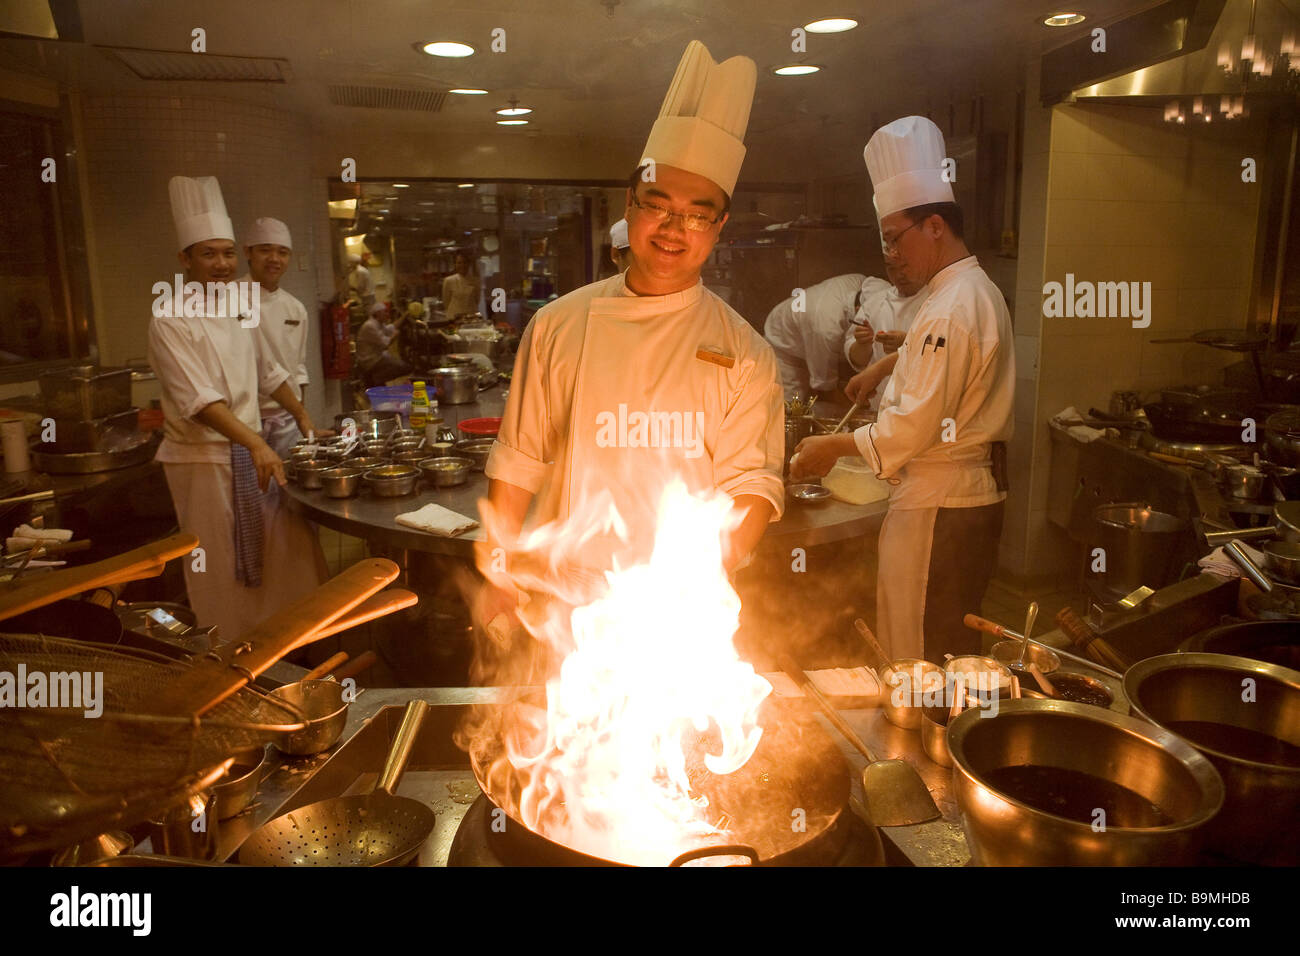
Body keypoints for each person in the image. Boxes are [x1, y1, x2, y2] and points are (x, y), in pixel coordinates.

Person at [483, 40, 783, 613]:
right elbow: (519, 458)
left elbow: (753, 486)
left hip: (683, 599)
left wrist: (693, 578)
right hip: (564, 591)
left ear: (718, 227)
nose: (674, 227)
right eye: (658, 204)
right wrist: (497, 562)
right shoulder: (556, 326)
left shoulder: (746, 353)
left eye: (697, 213)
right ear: (630, 205)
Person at [791, 116, 1014, 662]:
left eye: (895, 239)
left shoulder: (952, 307)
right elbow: (941, 355)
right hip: (955, 500)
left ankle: (923, 743)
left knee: (922, 651)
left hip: (940, 506)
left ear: (934, 226)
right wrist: (885, 363)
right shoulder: (965, 290)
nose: (889, 254)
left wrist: (833, 447)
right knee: (942, 642)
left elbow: (913, 427)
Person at [149, 176, 326, 642]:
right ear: (184, 259)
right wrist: (256, 444)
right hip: (205, 460)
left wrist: (303, 417)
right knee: (221, 566)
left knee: (281, 552)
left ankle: (285, 644)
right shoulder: (170, 315)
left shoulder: (239, 304)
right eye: (209, 254)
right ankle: (228, 657)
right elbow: (199, 400)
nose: (222, 264)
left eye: (227, 253)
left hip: (250, 450)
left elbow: (270, 372)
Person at [242, 217, 310, 458]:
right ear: (248, 252)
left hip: (288, 419)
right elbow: (263, 369)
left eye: (282, 252)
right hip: (247, 421)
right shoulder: (230, 299)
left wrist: (301, 415)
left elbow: (299, 367)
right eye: (265, 250)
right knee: (255, 494)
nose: (274, 259)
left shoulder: (296, 308)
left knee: (289, 489)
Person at [763, 272, 865, 403]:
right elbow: (825, 390)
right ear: (857, 309)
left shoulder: (867, 285)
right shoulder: (826, 328)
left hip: (813, 341)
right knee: (792, 408)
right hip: (785, 350)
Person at [842, 262, 929, 410]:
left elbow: (942, 353)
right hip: (878, 406)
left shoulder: (936, 299)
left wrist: (906, 342)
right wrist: (863, 343)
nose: (899, 275)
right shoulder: (876, 302)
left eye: (905, 267)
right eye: (892, 268)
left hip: (920, 406)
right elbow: (857, 360)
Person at [355, 301, 410, 387]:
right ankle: (374, 379)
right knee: (403, 367)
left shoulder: (377, 323)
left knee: (398, 363)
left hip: (376, 356)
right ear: (378, 313)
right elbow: (385, 344)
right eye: (385, 312)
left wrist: (405, 315)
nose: (387, 314)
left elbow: (391, 328)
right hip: (369, 360)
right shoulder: (370, 326)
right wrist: (395, 336)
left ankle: (377, 381)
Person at [441, 252, 481, 319]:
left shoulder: (475, 281)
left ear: (469, 264)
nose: (462, 265)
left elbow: (477, 300)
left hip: (471, 317)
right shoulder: (448, 280)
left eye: (465, 262)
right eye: (459, 263)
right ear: (455, 264)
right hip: (454, 318)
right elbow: (446, 302)